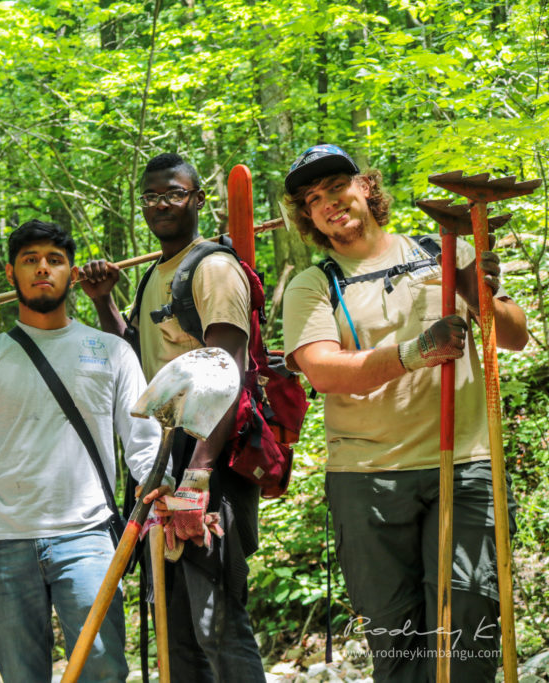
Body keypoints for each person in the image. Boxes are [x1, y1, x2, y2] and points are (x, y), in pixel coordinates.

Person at [280, 143, 528, 682]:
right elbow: (323, 371)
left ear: (366, 188)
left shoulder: (443, 249)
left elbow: (513, 336)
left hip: (466, 465)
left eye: (337, 187)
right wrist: (415, 353)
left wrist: (480, 294)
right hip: (367, 478)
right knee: (397, 644)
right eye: (313, 199)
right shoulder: (314, 284)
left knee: (469, 631)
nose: (329, 202)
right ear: (308, 217)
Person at [0, 220, 163, 682]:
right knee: (21, 675)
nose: (42, 268)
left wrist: (162, 497)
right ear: (11, 273)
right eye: (30, 260)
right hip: (4, 540)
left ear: (73, 273)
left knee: (103, 669)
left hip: (90, 537)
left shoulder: (111, 352)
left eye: (55, 260)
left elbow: (143, 442)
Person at [78, 153, 267, 681]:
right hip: (161, 456)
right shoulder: (153, 278)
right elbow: (135, 361)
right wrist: (103, 301)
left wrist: (198, 477)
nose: (161, 205)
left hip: (207, 455)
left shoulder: (213, 269)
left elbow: (227, 371)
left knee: (216, 618)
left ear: (198, 199)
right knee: (175, 622)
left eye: (174, 194)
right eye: (152, 196)